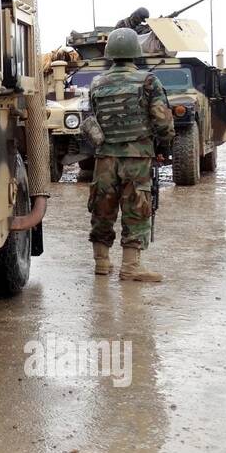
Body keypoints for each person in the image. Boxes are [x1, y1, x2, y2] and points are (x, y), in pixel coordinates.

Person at [85, 27, 175, 282]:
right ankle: (131, 267)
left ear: (110, 52)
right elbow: (162, 121)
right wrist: (164, 147)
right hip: (137, 158)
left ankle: (102, 263)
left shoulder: (97, 82)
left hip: (105, 158)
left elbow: (93, 117)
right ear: (136, 52)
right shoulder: (148, 81)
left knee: (102, 208)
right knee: (137, 208)